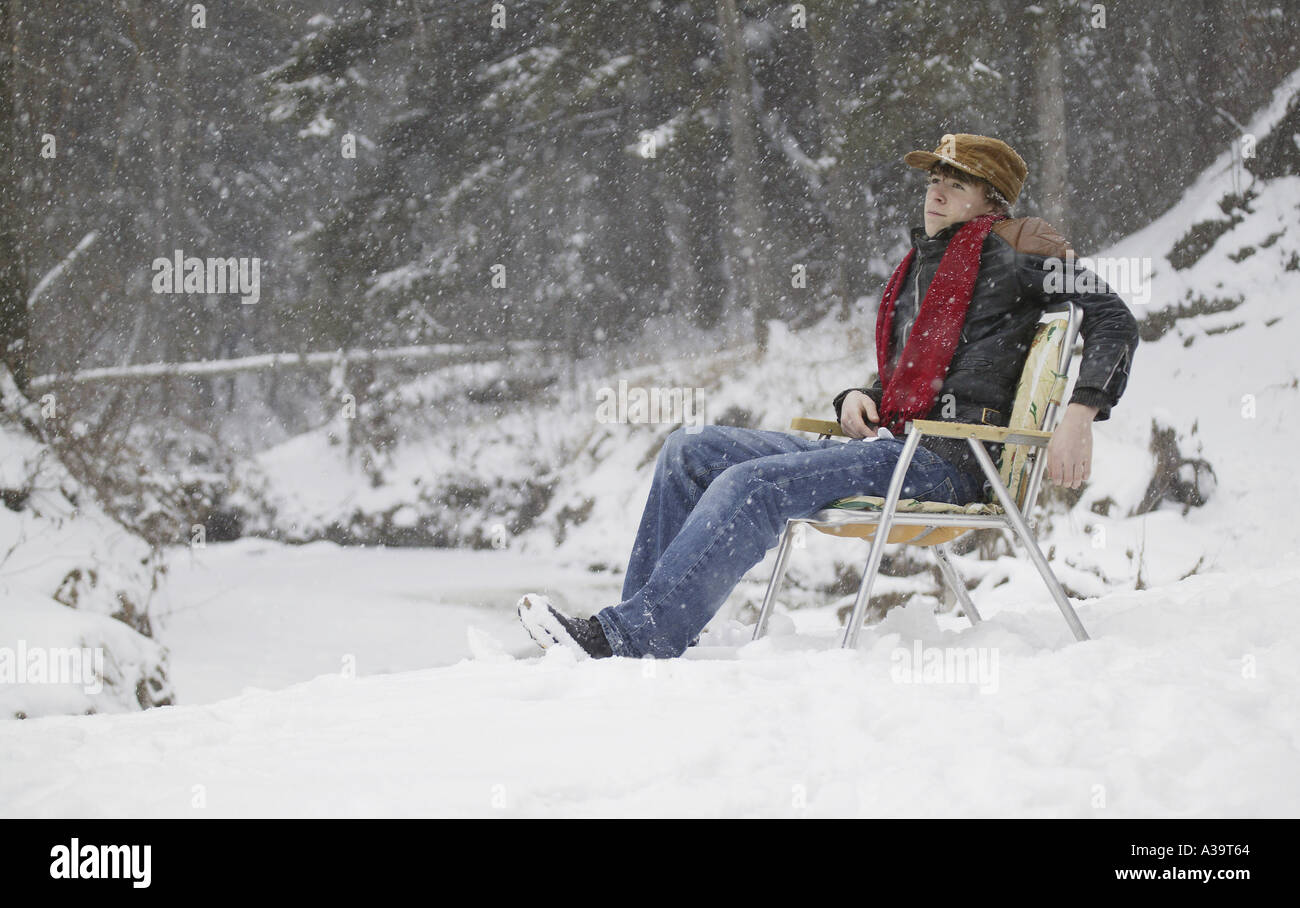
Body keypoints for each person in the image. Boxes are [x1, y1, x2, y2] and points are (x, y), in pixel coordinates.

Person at [518, 132, 1139, 660]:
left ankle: (629, 639)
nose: (937, 191)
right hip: (892, 442)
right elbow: (909, 379)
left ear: (991, 201)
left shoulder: (1019, 245)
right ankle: (636, 625)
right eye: (934, 178)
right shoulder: (924, 267)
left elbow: (1114, 318)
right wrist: (856, 397)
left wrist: (1080, 412)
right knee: (691, 448)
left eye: (959, 182)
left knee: (751, 485)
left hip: (949, 462)